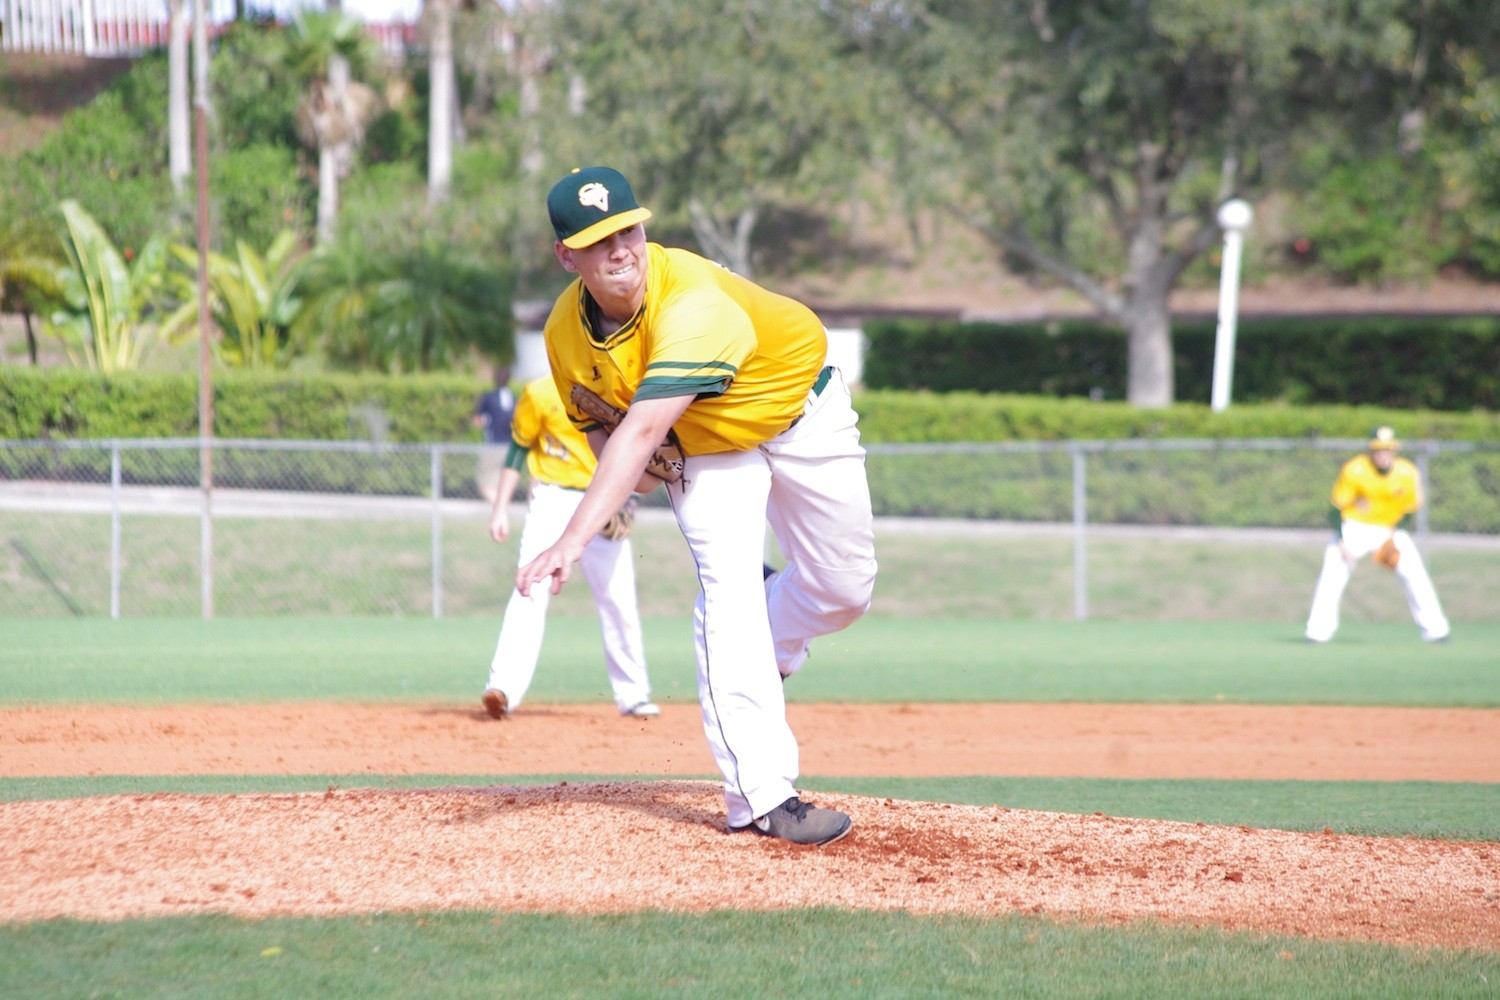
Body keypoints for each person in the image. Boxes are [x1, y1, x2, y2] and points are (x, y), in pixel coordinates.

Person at [514, 166, 878, 847]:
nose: (620, 248)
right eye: (598, 240)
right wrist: (625, 473)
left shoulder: (689, 300)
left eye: (628, 229)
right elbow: (606, 432)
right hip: (710, 450)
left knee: (845, 589)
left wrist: (570, 539)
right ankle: (763, 798)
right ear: (567, 256)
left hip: (801, 412)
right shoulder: (565, 331)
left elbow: (643, 431)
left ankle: (772, 620)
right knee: (725, 590)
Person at [481, 374, 659, 720]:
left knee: (618, 598)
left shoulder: (616, 383)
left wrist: (627, 496)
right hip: (553, 497)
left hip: (602, 498)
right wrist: (500, 508)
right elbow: (518, 450)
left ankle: (634, 695)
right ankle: (503, 689)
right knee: (529, 588)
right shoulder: (540, 391)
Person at [1304, 426, 1450, 644]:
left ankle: (1436, 631)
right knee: (1331, 576)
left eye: (1387, 449)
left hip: (1389, 529)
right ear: (1370, 450)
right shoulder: (1355, 469)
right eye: (1378, 449)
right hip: (1354, 528)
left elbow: (1410, 509)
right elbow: (1336, 508)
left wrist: (1393, 534)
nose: (1383, 454)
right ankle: (1317, 632)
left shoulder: (1407, 472)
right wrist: (1342, 541)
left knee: (1416, 575)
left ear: (1394, 450)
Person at [472, 364, 517, 504]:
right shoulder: (514, 399)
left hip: (493, 446)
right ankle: (501, 507)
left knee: (484, 483)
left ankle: (500, 507)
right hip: (510, 447)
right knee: (502, 482)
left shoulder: (489, 398)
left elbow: (477, 420)